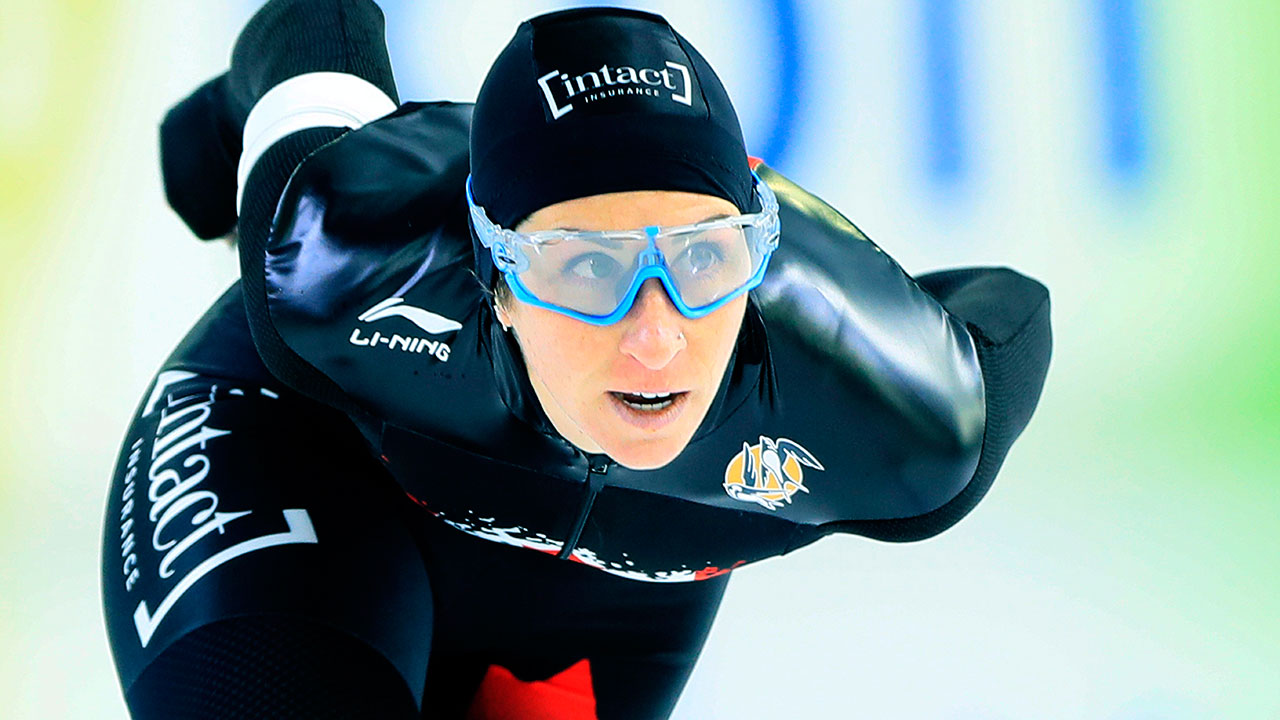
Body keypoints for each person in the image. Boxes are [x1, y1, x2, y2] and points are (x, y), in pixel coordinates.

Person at [100, 1, 1053, 718]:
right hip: (302, 461)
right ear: (493, 276)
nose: (654, 339)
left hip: (597, 601)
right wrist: (213, 138)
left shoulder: (907, 412)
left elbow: (1011, 316)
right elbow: (317, 23)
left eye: (702, 260)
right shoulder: (333, 249)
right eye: (587, 268)